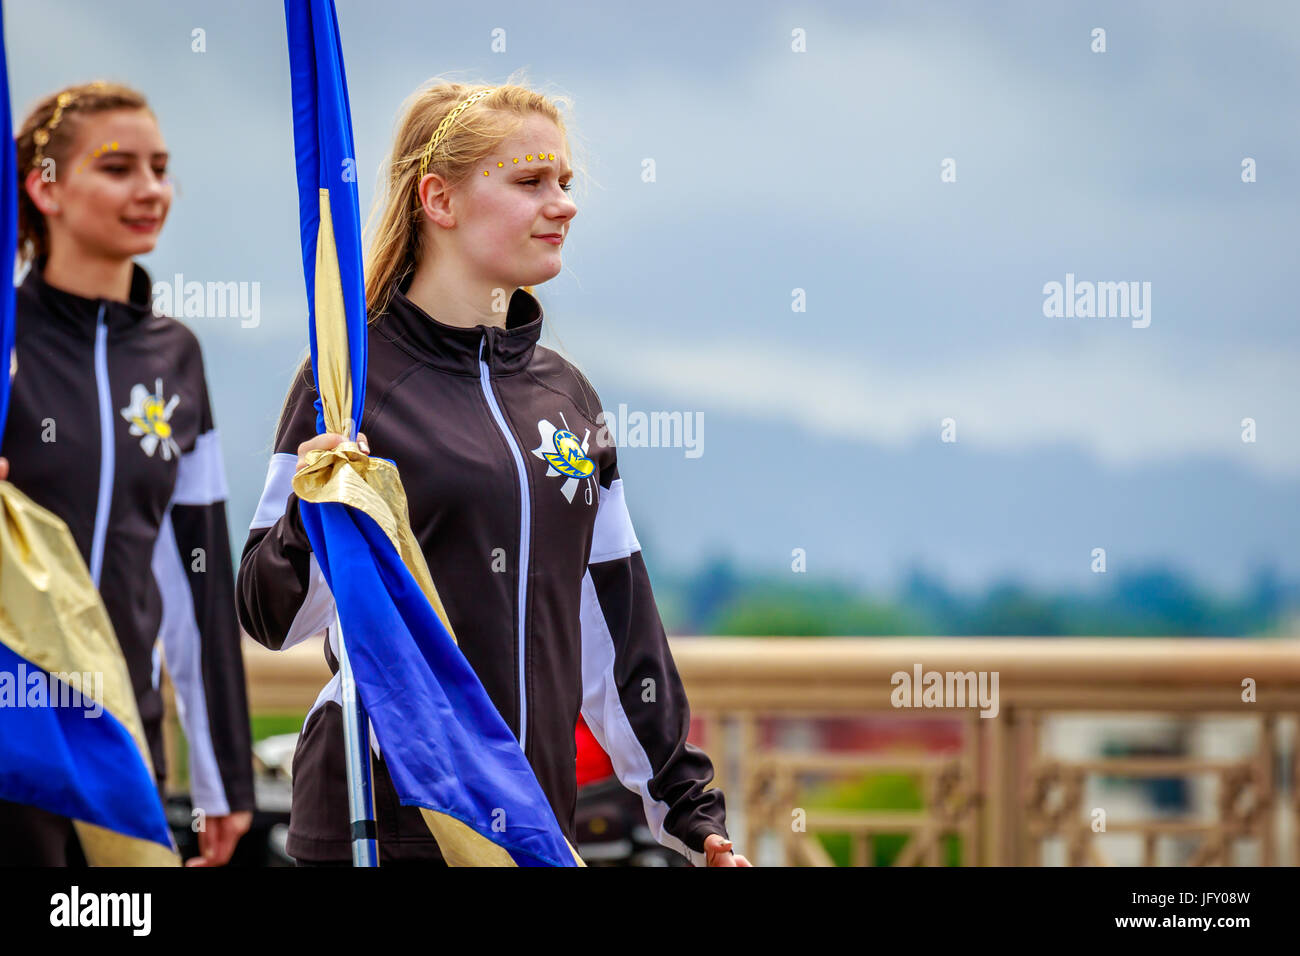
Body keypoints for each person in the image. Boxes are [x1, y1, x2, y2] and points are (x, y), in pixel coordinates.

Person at [237, 78, 749, 867]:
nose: (564, 204)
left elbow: (616, 624)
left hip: (534, 822)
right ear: (438, 199)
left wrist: (691, 813)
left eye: (566, 184)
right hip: (381, 822)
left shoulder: (566, 395)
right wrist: (315, 510)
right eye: (530, 182)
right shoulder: (345, 383)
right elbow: (270, 616)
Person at [0, 81, 255, 866]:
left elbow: (197, 571)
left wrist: (224, 777)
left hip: (121, 738)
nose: (150, 189)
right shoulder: (5, 341)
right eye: (118, 168)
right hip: (14, 739)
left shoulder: (176, 357)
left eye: (160, 167)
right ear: (46, 186)